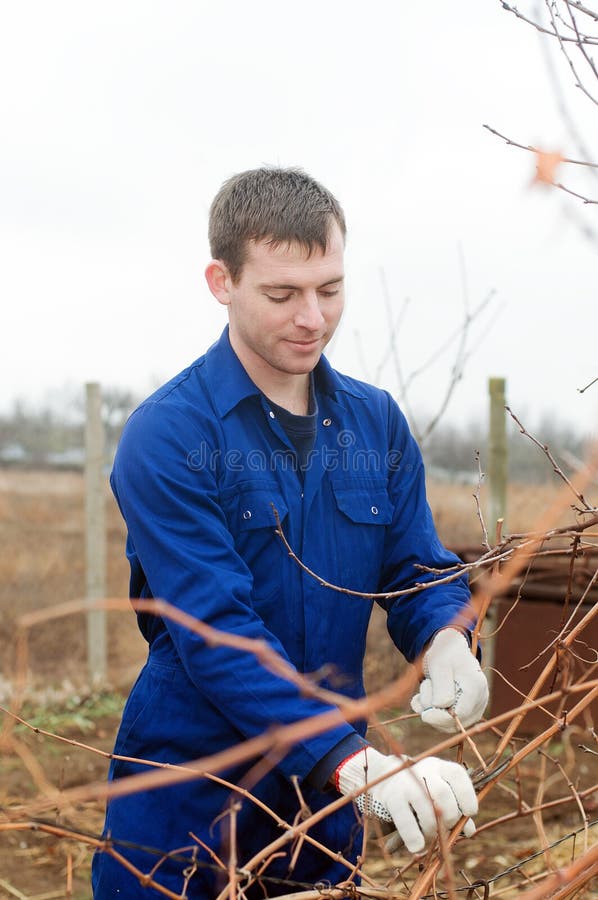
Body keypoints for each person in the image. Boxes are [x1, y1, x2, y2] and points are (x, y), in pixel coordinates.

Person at [92, 167, 488, 898]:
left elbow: (417, 569)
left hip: (323, 819)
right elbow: (217, 631)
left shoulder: (375, 423)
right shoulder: (169, 436)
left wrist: (447, 640)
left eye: (330, 289)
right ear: (222, 282)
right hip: (191, 806)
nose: (313, 318)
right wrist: (355, 764)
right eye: (282, 295)